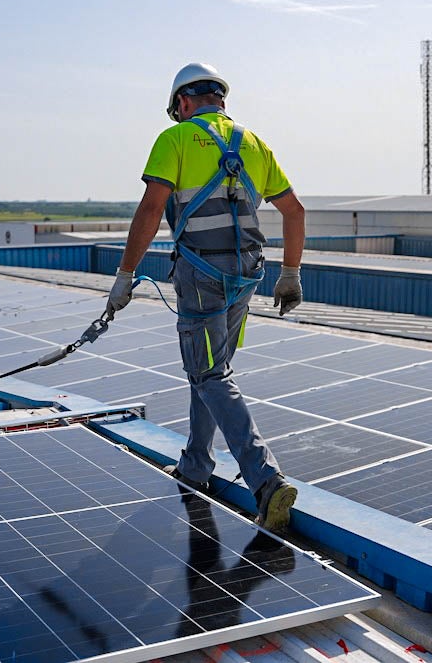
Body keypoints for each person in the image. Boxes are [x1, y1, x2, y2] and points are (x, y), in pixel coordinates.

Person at [104, 62, 307, 533]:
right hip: (248, 273)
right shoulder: (254, 143)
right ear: (222, 99)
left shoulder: (173, 139)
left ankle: (266, 480)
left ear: (182, 103)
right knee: (212, 368)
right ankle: (196, 467)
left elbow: (152, 208)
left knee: (208, 371)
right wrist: (291, 274)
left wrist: (125, 275)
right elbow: (294, 210)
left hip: (201, 275)